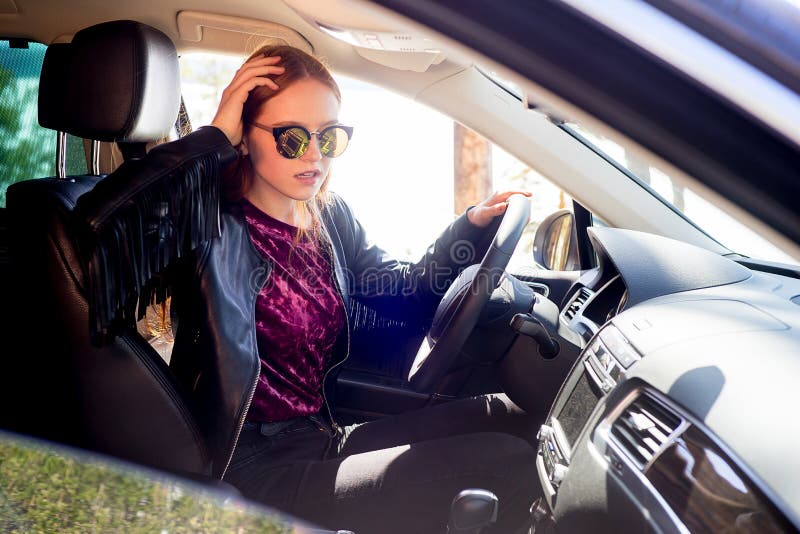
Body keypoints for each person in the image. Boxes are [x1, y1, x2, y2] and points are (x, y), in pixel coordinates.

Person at [78, 44, 539, 533]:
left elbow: (402, 294)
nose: (315, 155)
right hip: (250, 467)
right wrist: (213, 137)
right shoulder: (204, 225)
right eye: (291, 138)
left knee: (513, 417)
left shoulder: (327, 216)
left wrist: (469, 228)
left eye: (330, 137)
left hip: (320, 433)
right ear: (245, 135)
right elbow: (97, 234)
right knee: (505, 462)